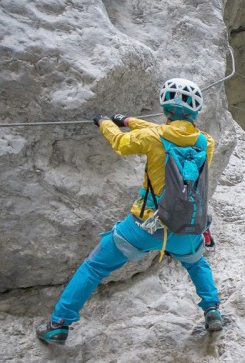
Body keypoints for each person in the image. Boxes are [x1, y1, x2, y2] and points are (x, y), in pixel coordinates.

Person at [35, 78, 223, 345]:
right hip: (185, 227)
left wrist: (106, 123)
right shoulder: (207, 143)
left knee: (94, 267)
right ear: (196, 111)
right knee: (196, 263)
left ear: (165, 109)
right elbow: (167, 133)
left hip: (144, 227)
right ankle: (212, 309)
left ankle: (59, 325)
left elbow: (122, 143)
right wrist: (130, 119)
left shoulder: (152, 138)